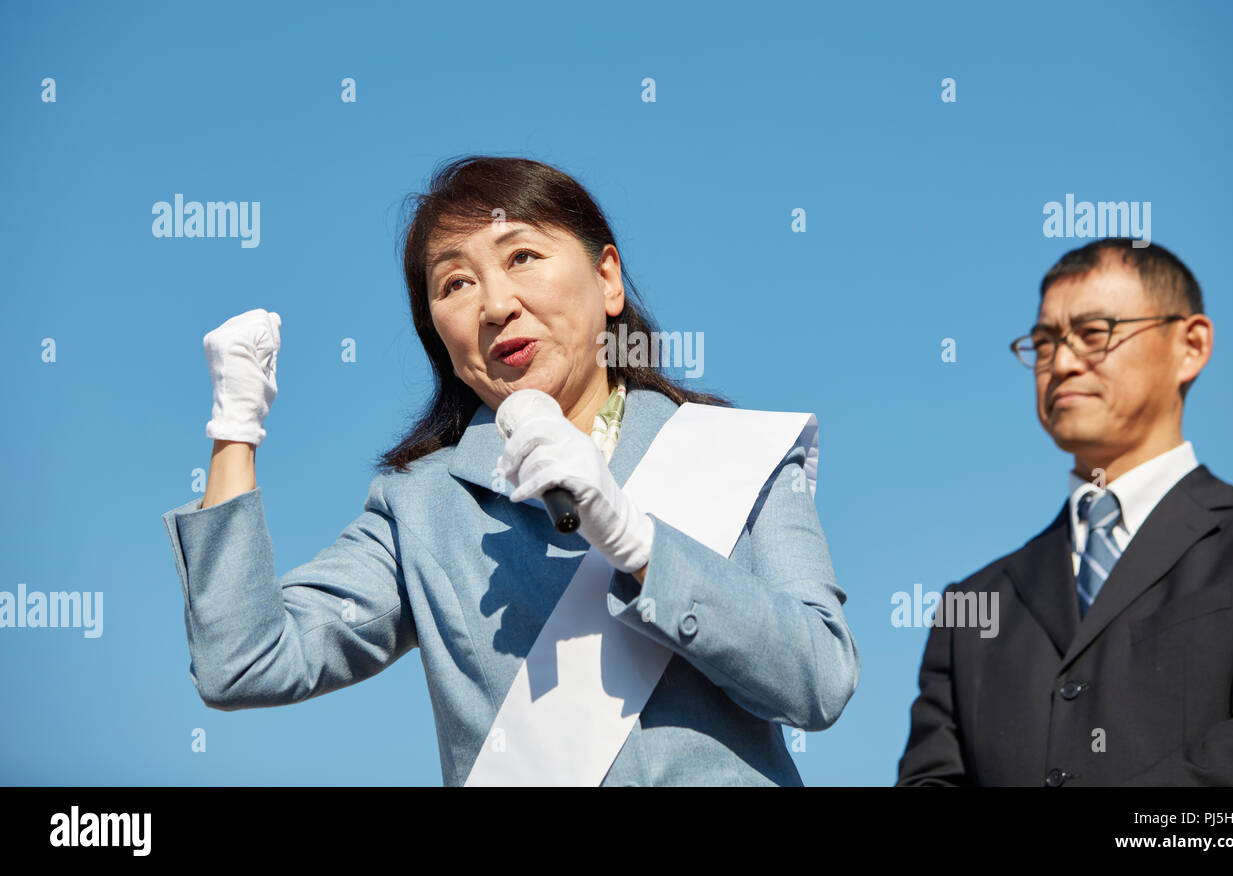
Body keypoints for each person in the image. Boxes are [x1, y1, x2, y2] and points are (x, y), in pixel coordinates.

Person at [160, 155, 860, 786]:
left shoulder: (736, 451)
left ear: (607, 278)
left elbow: (819, 681)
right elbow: (243, 662)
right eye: (456, 282)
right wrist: (234, 430)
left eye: (523, 256)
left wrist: (643, 547)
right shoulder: (422, 505)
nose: (496, 305)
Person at [896, 237, 1233, 786]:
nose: (1061, 363)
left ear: (1192, 345)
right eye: (1043, 343)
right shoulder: (973, 606)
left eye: (1093, 334)